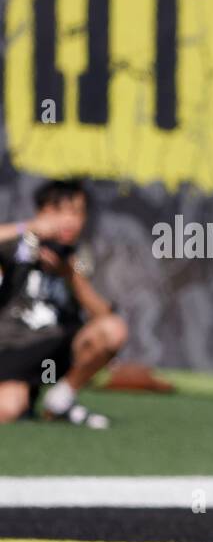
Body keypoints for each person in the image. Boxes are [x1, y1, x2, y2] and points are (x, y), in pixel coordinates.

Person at [0, 179, 126, 427]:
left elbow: (102, 314)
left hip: (56, 357)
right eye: (60, 212)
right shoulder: (20, 243)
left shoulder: (78, 259)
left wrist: (70, 275)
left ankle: (60, 399)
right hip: (14, 350)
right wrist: (30, 227)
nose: (69, 221)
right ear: (43, 213)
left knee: (113, 330)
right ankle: (25, 399)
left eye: (77, 213)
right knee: (7, 409)